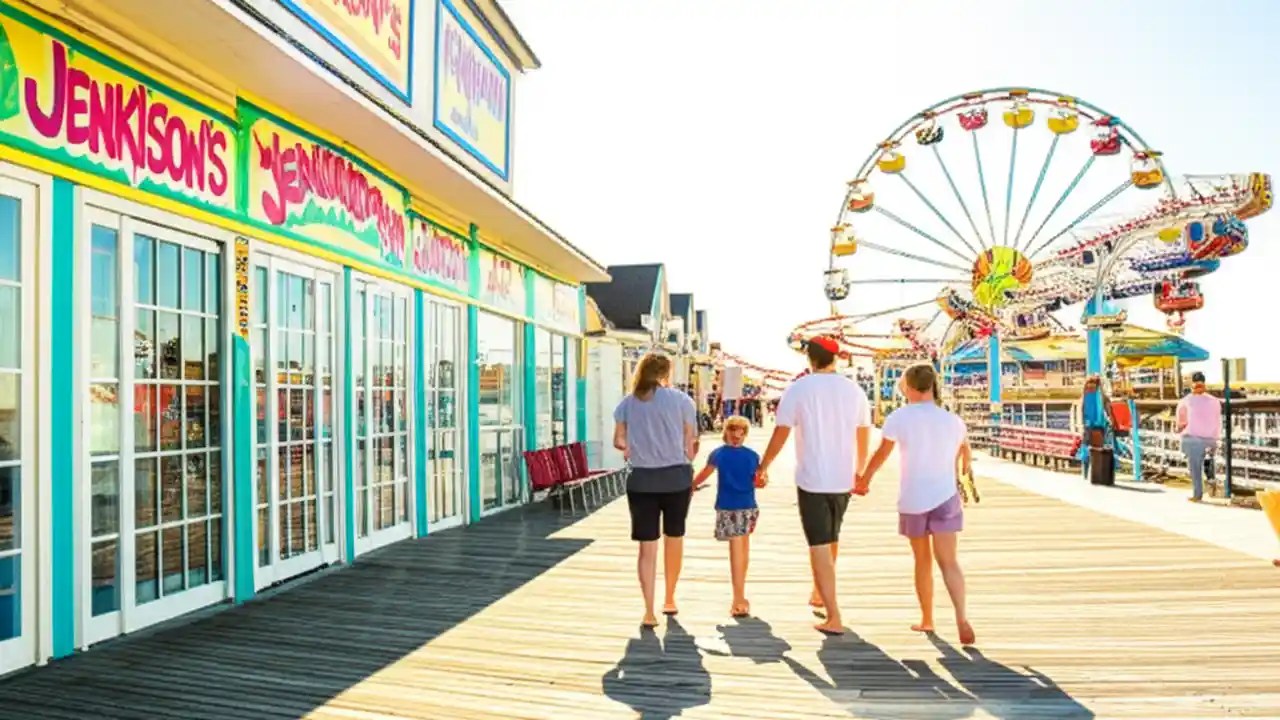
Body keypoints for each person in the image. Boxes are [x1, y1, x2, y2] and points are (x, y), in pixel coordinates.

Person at [756, 335, 870, 635]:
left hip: (813, 477)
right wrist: (861, 471)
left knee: (818, 543)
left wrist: (764, 465)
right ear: (834, 359)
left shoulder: (799, 389)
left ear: (810, 358)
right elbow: (863, 433)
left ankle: (834, 616)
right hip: (843, 476)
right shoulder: (854, 390)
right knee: (831, 537)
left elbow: (781, 432)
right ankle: (820, 591)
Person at [858, 363, 976, 646]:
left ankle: (927, 618)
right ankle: (961, 616)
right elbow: (965, 455)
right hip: (946, 495)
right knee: (949, 561)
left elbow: (882, 453)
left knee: (922, 560)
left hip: (913, 498)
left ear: (909, 387)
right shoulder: (953, 421)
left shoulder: (899, 417)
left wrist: (864, 480)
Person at [614, 353, 699, 628]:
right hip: (676, 477)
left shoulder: (627, 404)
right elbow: (691, 442)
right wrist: (687, 458)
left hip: (641, 481)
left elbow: (618, 440)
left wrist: (629, 449)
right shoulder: (682, 401)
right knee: (674, 538)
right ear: (666, 374)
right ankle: (670, 598)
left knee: (646, 548)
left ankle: (648, 610)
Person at [693, 416, 765, 618]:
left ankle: (738, 598)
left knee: (736, 549)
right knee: (742, 548)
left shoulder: (718, 454)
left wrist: (690, 486)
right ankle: (740, 595)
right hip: (748, 506)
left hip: (727, 506)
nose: (736, 435)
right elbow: (760, 480)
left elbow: (704, 474)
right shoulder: (753, 456)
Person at [1177, 371, 1222, 502]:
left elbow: (1181, 423)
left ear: (1191, 384)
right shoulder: (1215, 401)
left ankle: (1198, 493)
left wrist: (1178, 429)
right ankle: (1211, 480)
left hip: (1193, 438)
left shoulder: (1186, 401)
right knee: (1209, 461)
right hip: (1212, 438)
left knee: (1195, 467)